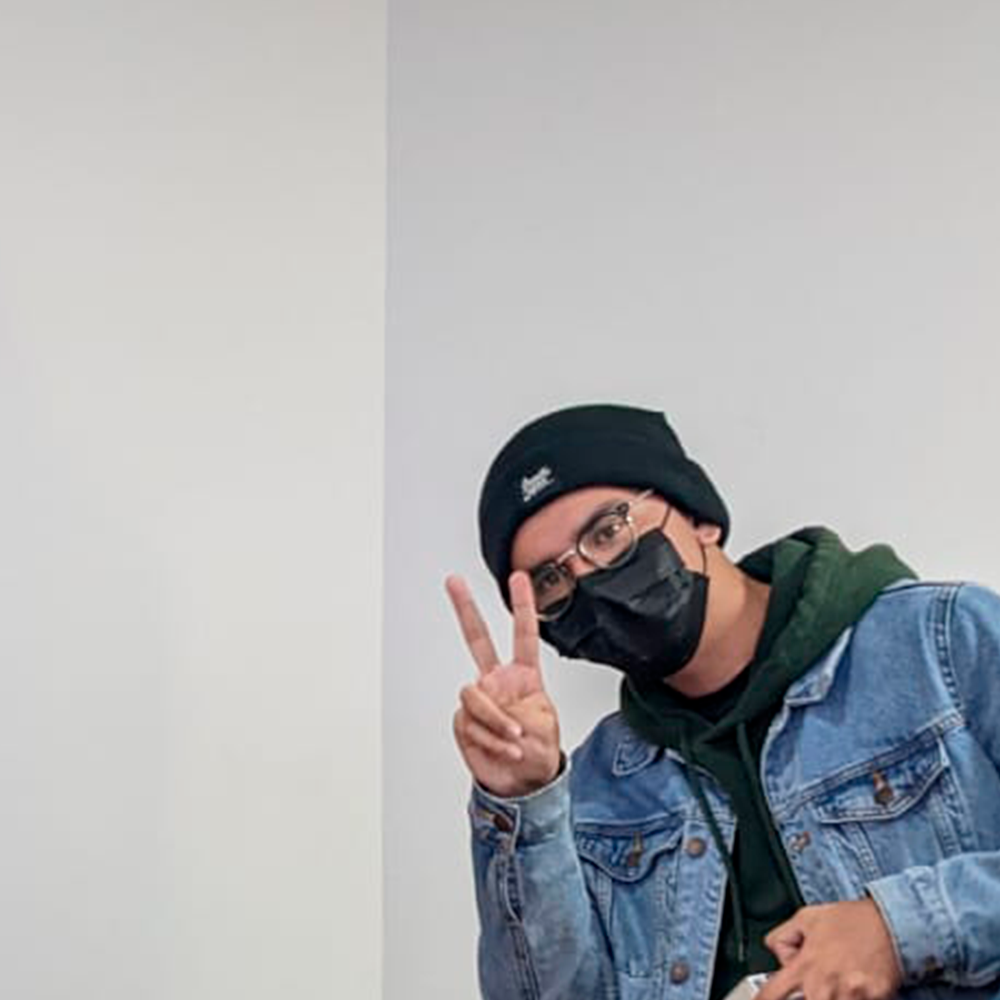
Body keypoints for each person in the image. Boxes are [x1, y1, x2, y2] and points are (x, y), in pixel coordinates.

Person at [446, 403, 1000, 1000]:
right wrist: (524, 801)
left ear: (700, 518)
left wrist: (898, 928)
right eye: (551, 581)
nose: (590, 579)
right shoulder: (597, 785)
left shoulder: (943, 641)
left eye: (607, 532)